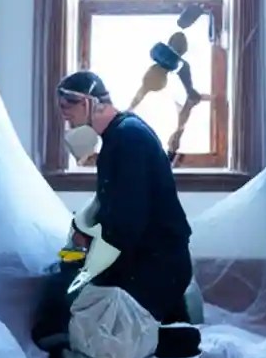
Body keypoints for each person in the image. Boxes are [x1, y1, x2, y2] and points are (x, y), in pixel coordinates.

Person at [54, 70, 195, 326]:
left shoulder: (128, 139)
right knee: (67, 272)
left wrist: (89, 263)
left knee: (66, 291)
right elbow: (114, 206)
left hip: (158, 265)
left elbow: (128, 223)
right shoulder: (117, 136)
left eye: (69, 113)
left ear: (88, 103)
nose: (69, 123)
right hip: (148, 258)